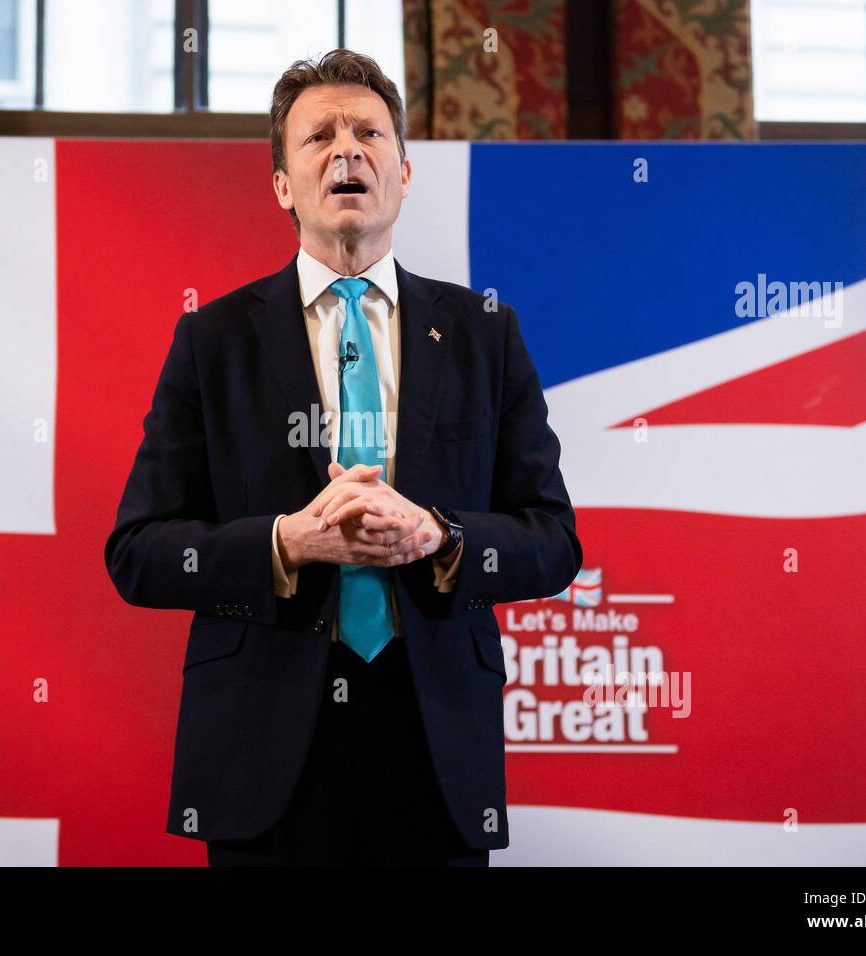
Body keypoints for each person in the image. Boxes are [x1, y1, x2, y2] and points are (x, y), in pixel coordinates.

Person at [104, 49, 582, 866]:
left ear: (402, 169)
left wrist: (442, 537)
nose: (347, 150)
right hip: (265, 748)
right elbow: (139, 554)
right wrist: (285, 544)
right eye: (318, 136)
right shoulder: (212, 342)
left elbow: (552, 539)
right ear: (284, 185)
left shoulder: (484, 335)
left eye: (369, 132)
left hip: (434, 740)